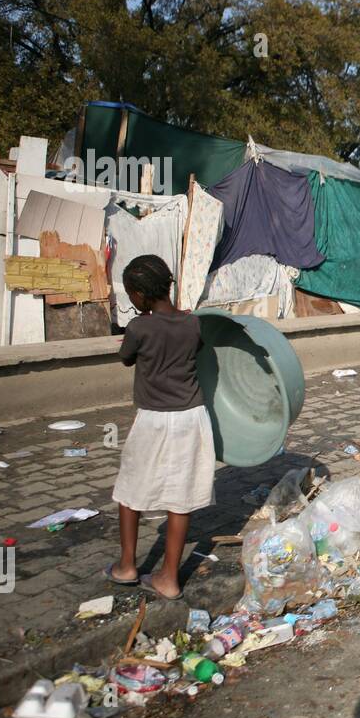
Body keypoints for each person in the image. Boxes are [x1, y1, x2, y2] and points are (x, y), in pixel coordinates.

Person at [105, 254, 215, 600]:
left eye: (130, 295)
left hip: (153, 419)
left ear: (139, 294)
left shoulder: (138, 327)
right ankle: (168, 577)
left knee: (130, 491)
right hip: (191, 417)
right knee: (179, 499)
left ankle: (126, 567)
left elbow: (126, 357)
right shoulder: (192, 324)